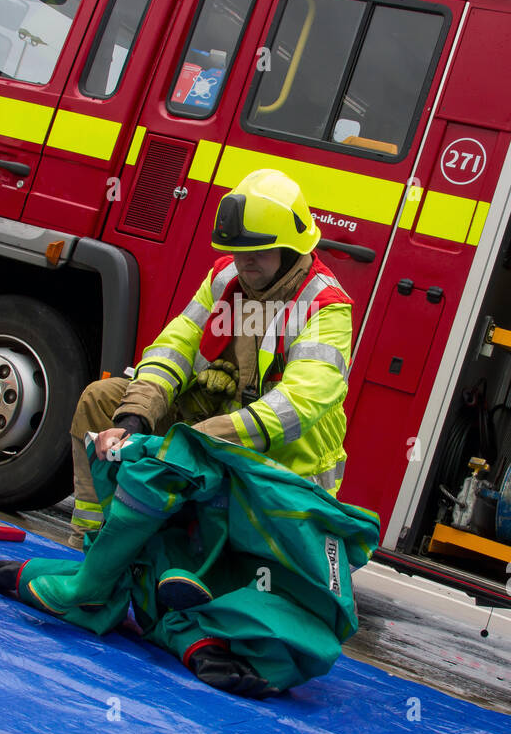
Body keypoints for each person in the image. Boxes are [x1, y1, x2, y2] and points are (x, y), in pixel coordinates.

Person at [66, 168, 354, 548]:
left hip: (281, 469)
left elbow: (297, 405)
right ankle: (91, 537)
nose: (244, 262)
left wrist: (198, 437)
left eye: (258, 251)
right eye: (238, 250)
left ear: (292, 249)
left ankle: (158, 549)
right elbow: (175, 349)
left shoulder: (325, 307)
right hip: (214, 436)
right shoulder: (225, 278)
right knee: (102, 399)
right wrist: (136, 417)